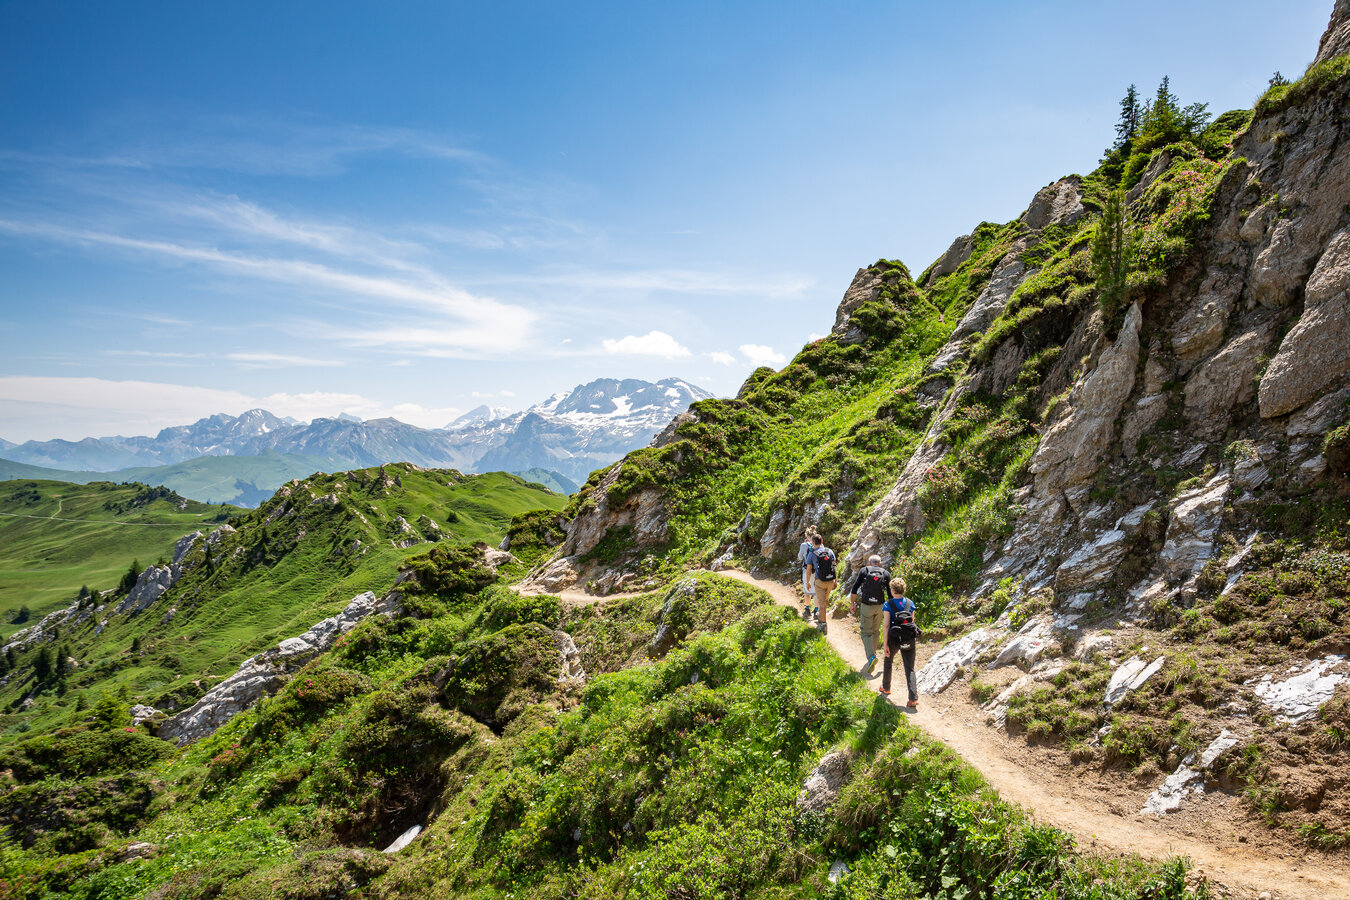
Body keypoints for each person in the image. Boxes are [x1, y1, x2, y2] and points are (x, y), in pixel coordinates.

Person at [847, 553, 891, 677]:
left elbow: (854, 588)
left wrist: (852, 603)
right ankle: (874, 654)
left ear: (870, 562)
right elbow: (890, 593)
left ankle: (871, 657)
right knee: (876, 631)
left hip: (867, 606)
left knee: (866, 632)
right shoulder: (885, 573)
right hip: (880, 606)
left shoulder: (864, 571)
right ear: (880, 563)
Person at [880, 577, 919, 710]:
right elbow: (911, 622)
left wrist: (885, 644)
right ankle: (913, 699)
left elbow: (885, 626)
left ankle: (886, 688)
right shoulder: (910, 603)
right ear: (903, 590)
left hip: (894, 639)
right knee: (910, 668)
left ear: (892, 590)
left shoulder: (888, 604)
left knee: (888, 660)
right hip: (908, 638)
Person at [804, 533, 838, 634]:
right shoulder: (829, 551)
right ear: (822, 541)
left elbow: (809, 570)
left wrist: (808, 582)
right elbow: (834, 566)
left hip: (820, 581)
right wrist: (836, 580)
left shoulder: (811, 554)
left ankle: (823, 624)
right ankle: (821, 615)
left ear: (813, 543)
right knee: (826, 600)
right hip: (830, 580)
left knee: (821, 604)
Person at [797, 527, 819, 618]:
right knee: (817, 590)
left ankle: (807, 609)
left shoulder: (804, 545)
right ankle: (816, 611)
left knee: (807, 590)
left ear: (806, 535)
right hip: (818, 571)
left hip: (807, 570)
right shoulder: (819, 545)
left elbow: (800, 558)